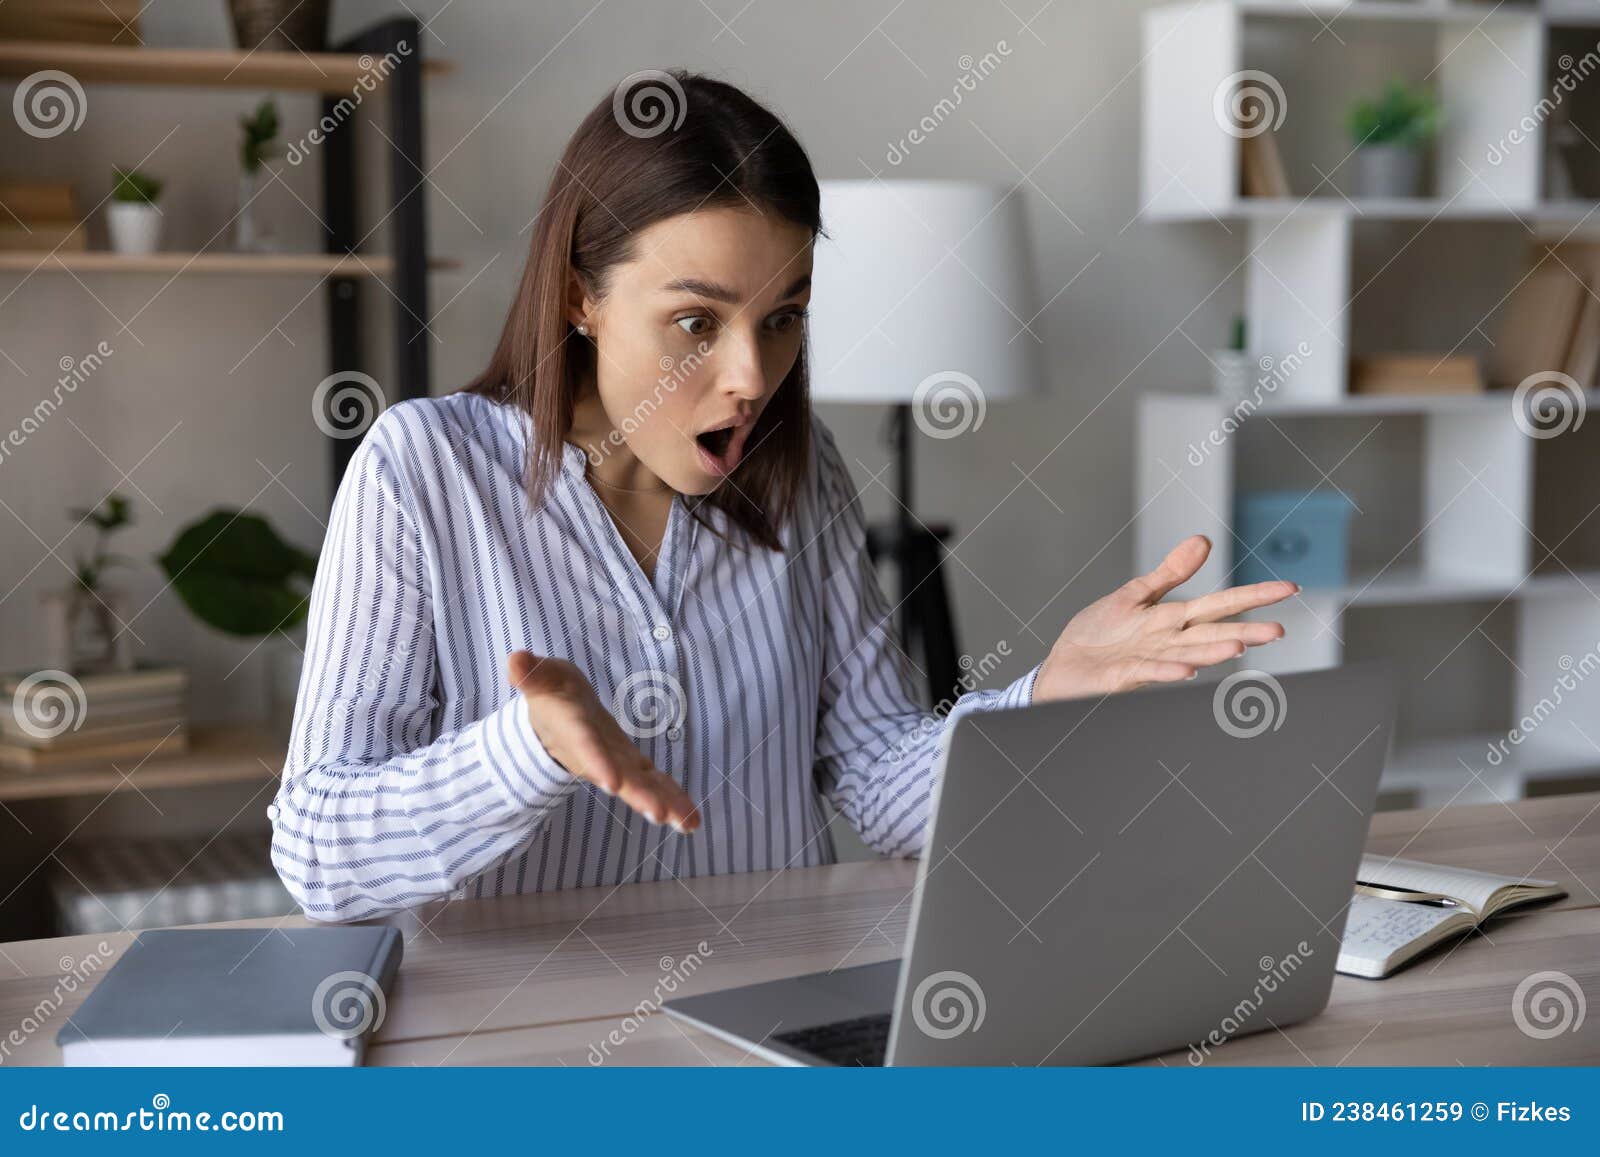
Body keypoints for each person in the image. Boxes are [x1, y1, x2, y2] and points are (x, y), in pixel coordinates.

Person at [268, 70, 1294, 922]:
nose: (752, 377)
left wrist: (1046, 695)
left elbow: (884, 781)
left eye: (782, 317)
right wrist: (522, 748)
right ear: (581, 296)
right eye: (695, 323)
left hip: (773, 1032)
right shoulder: (422, 472)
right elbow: (316, 855)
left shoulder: (800, 475)